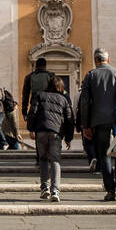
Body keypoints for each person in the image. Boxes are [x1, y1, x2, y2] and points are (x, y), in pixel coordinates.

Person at [77, 48, 116, 201]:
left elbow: (85, 102)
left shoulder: (91, 75)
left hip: (99, 121)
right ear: (109, 58)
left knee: (104, 155)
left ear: (95, 60)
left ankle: (110, 190)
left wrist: (85, 125)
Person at [29, 74, 75, 202]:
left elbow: (32, 112)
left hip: (41, 131)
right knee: (55, 160)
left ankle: (45, 188)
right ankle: (55, 190)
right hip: (56, 132)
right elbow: (69, 119)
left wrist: (31, 129)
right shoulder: (64, 99)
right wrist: (69, 138)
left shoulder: (39, 95)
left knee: (43, 159)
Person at [21, 57, 52, 124]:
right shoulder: (51, 76)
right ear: (45, 66)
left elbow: (25, 96)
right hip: (49, 106)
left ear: (36, 66)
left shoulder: (29, 77)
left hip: (35, 106)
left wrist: (24, 112)